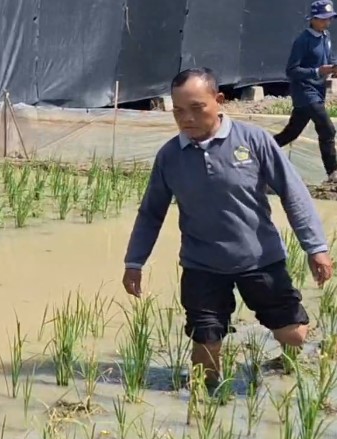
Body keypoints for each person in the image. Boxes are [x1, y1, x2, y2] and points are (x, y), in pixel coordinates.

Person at [122, 67, 334, 388]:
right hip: (202, 266)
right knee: (205, 357)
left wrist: (315, 248)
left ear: (219, 101)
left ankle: (289, 355)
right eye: (179, 111)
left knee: (293, 335)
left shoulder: (254, 141)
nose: (187, 119)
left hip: (260, 260)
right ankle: (209, 407)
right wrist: (134, 261)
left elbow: (294, 194)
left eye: (197, 108)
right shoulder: (170, 156)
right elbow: (152, 213)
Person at [273, 0, 337, 183]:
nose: (328, 23)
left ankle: (260, 151)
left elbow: (327, 59)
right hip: (305, 92)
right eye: (324, 19)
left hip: (318, 91)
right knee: (327, 129)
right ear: (314, 19)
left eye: (330, 19)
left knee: (291, 133)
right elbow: (291, 70)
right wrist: (317, 71)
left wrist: (332, 69)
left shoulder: (326, 36)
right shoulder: (303, 41)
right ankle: (333, 172)